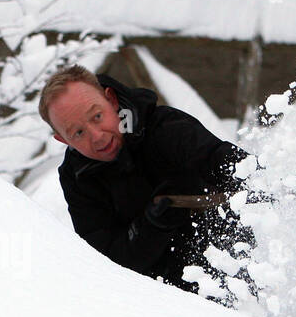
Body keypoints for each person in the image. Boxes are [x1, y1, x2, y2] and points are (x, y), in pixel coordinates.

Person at [40, 64, 251, 291]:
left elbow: (244, 173)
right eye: (78, 133)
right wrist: (152, 225)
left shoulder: (167, 128)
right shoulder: (78, 179)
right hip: (157, 300)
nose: (98, 137)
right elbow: (105, 263)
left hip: (237, 268)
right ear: (63, 140)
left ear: (111, 101)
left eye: (97, 116)